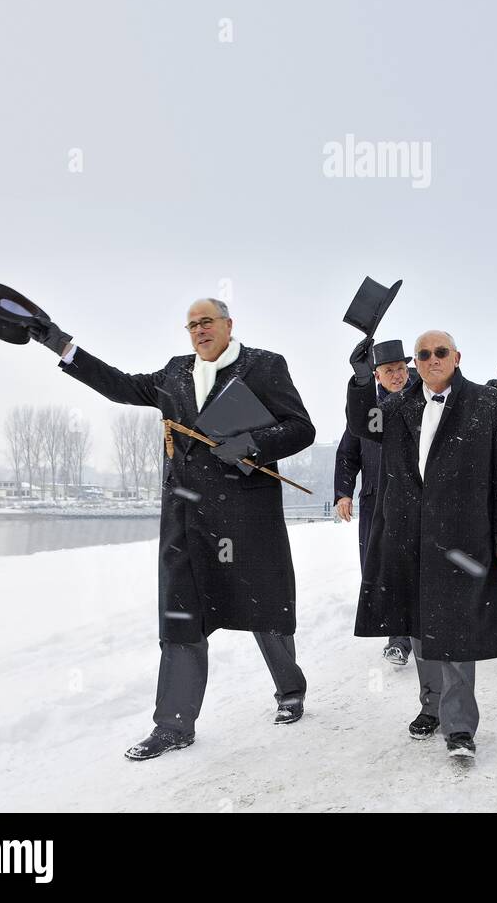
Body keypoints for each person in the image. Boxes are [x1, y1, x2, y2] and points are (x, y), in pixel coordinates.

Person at [30, 296, 315, 760]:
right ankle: (174, 725)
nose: (199, 330)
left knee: (263, 604)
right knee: (181, 614)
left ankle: (290, 690)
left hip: (246, 513)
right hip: (187, 515)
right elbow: (120, 386)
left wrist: (250, 443)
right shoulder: (174, 372)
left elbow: (300, 428)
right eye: (191, 325)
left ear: (228, 324)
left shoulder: (264, 366)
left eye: (207, 322)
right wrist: (62, 346)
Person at [345, 328, 497, 760]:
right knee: (421, 626)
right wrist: (361, 379)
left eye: (440, 352)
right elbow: (361, 426)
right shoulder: (399, 404)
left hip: (466, 535)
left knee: (458, 630)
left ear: (457, 357)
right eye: (423, 354)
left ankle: (460, 726)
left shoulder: (489, 403)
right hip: (409, 533)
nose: (431, 360)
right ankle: (432, 706)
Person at [334, 338, 415, 666]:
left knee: (411, 567)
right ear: (377, 376)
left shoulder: (421, 402)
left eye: (400, 369)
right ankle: (398, 635)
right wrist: (343, 492)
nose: (397, 375)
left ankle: (405, 638)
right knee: (381, 568)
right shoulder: (366, 410)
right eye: (389, 371)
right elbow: (347, 454)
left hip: (414, 501)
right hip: (376, 503)